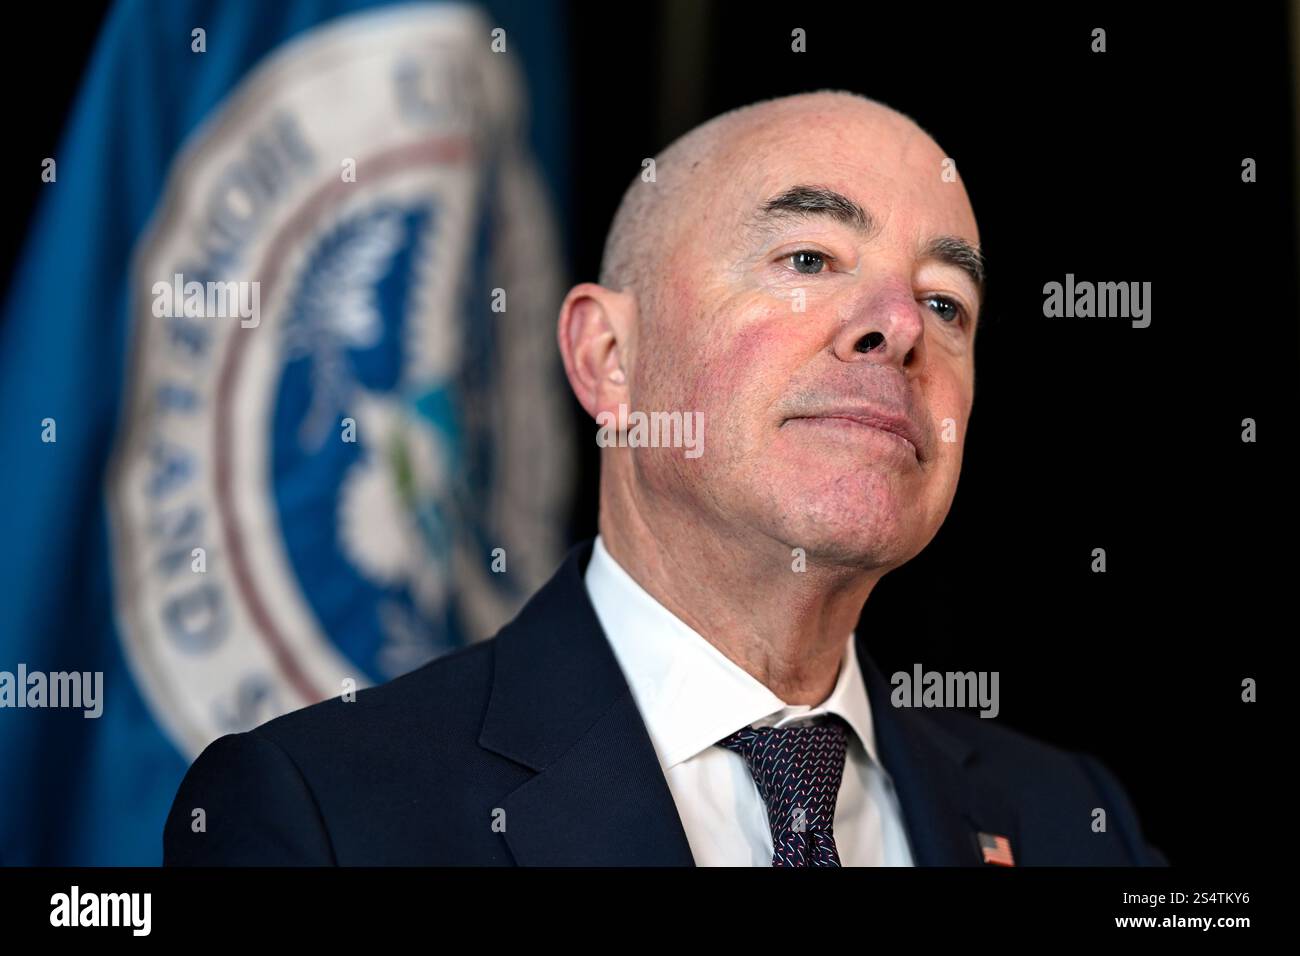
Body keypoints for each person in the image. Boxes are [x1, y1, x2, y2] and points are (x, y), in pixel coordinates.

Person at [164, 90, 1166, 866]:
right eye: (810, 255)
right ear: (608, 357)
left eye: (946, 303)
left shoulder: (1072, 824)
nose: (899, 325)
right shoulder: (328, 813)